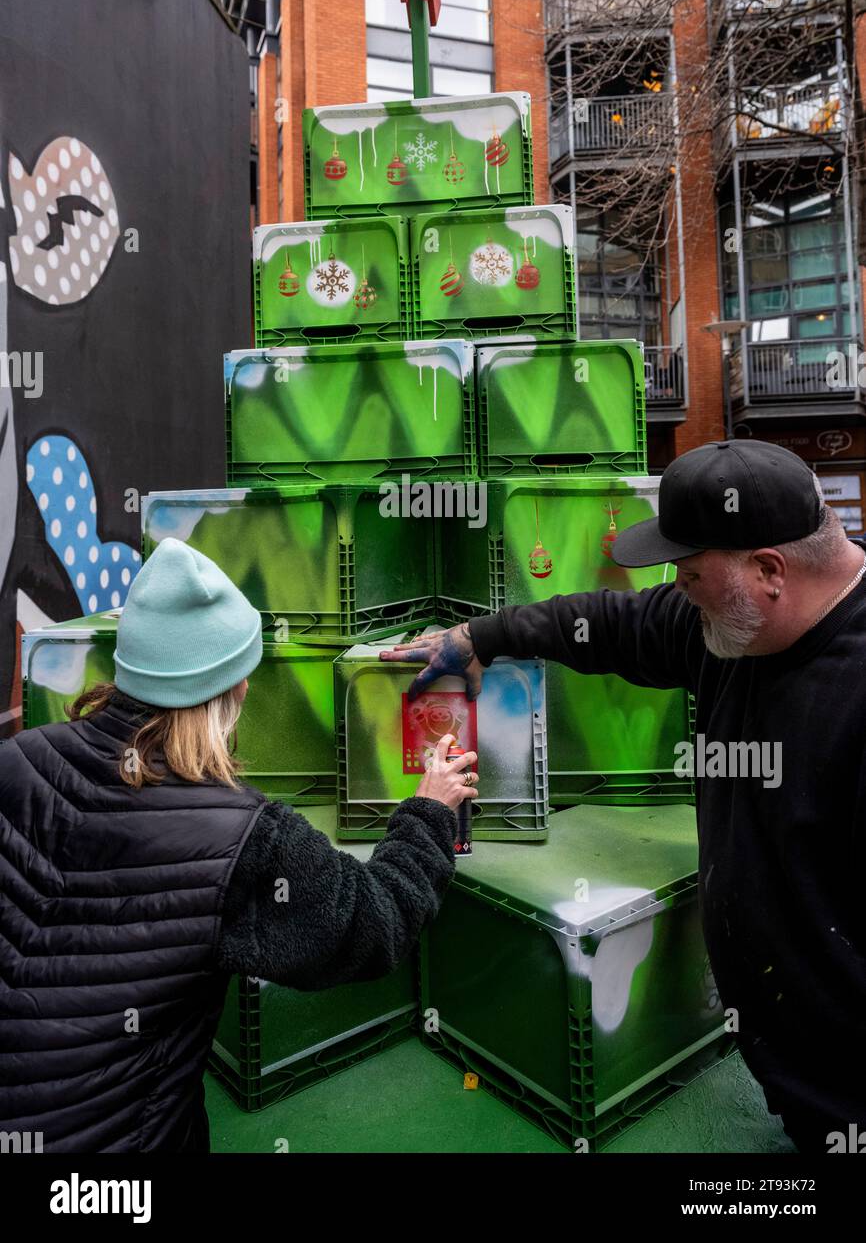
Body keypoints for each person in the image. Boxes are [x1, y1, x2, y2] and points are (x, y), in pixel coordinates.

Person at [380, 439, 866, 1155]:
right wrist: (480, 636)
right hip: (793, 1068)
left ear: (769, 570)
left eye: (689, 573)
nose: (676, 588)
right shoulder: (730, 623)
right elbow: (609, 623)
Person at [0, 537, 478, 1153]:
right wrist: (429, 812)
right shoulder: (244, 838)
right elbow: (376, 923)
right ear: (237, 688)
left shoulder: (15, 761)